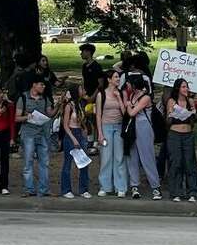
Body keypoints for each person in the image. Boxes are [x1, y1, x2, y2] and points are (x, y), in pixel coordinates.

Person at [161, 79, 197, 203]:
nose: (186, 89)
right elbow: (167, 122)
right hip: (175, 134)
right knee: (176, 162)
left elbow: (194, 122)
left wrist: (193, 114)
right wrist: (171, 114)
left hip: (188, 134)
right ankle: (176, 191)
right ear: (178, 88)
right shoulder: (172, 101)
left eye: (187, 87)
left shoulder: (190, 101)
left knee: (190, 162)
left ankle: (193, 191)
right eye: (183, 87)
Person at [16, 77, 56, 198]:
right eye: (41, 85)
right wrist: (27, 117)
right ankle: (29, 188)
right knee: (28, 161)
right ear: (34, 85)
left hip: (42, 133)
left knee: (44, 162)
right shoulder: (23, 98)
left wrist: (59, 106)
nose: (43, 87)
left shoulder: (45, 99)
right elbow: (16, 117)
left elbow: (50, 114)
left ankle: (44, 189)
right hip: (28, 134)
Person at [123, 74, 160, 199]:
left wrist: (128, 104)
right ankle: (134, 186)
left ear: (134, 84)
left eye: (128, 83)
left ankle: (155, 186)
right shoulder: (132, 95)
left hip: (144, 128)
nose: (126, 85)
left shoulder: (146, 98)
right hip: (133, 129)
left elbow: (132, 112)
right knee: (132, 156)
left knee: (147, 156)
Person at [94, 69, 128, 197]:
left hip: (119, 126)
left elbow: (125, 113)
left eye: (118, 77)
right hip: (106, 126)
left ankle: (120, 187)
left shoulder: (121, 93)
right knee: (106, 157)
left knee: (119, 157)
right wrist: (100, 133)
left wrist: (119, 98)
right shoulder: (101, 95)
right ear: (109, 80)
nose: (118, 79)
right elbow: (98, 115)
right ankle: (105, 186)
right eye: (115, 77)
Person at [57, 80, 92, 198]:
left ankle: (84, 189)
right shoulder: (69, 106)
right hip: (71, 133)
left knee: (84, 162)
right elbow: (65, 125)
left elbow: (83, 120)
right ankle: (66, 189)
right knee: (68, 163)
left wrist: (84, 130)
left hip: (80, 133)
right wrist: (73, 139)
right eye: (81, 89)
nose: (83, 91)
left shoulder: (81, 104)